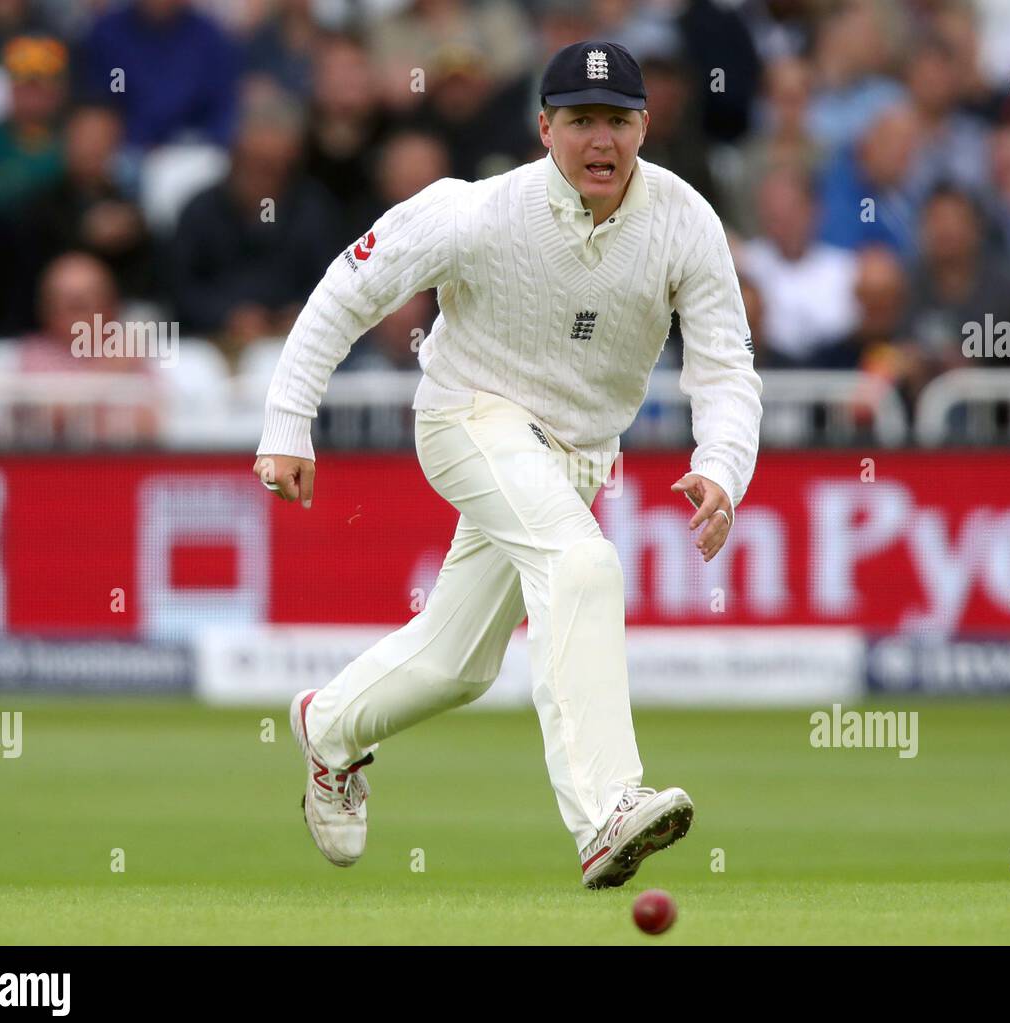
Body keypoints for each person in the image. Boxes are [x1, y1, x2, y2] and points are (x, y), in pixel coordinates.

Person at [253, 41, 763, 889]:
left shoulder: (685, 220)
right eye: (579, 121)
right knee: (582, 564)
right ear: (544, 128)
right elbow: (348, 289)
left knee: (460, 663)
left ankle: (330, 727)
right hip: (468, 418)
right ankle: (607, 810)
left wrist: (723, 464)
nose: (600, 141)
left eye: (616, 121)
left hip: (581, 453)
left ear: (646, 123)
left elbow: (723, 366)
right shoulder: (474, 211)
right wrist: (286, 423)